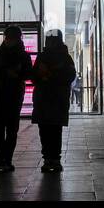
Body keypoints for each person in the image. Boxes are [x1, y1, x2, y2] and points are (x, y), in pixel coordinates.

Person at [0, 25, 33, 173]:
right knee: (7, 129)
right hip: (10, 95)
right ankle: (4, 160)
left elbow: (27, 74)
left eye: (11, 37)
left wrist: (14, 74)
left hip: (7, 95)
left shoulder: (0, 52)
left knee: (3, 129)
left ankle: (3, 160)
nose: (9, 40)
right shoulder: (19, 54)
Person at [31, 31, 77, 173]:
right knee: (49, 130)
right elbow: (34, 76)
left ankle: (52, 159)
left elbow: (69, 76)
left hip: (49, 99)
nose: (50, 43)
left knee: (50, 130)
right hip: (52, 99)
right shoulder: (64, 57)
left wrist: (48, 75)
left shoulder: (53, 57)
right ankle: (51, 159)